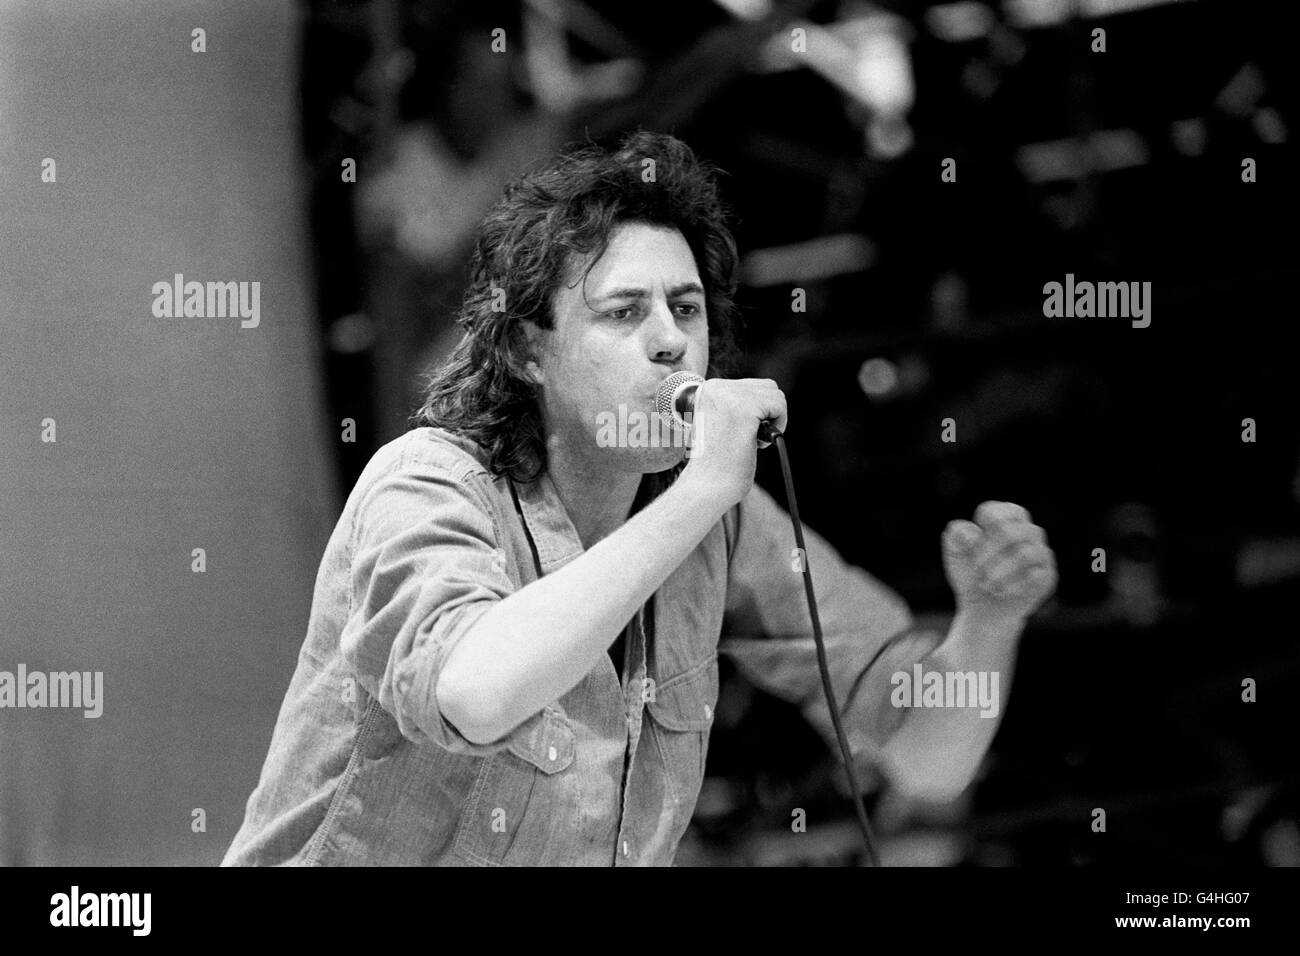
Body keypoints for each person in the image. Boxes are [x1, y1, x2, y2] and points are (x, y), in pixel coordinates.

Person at [222, 130, 1057, 866]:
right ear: (526, 350)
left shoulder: (718, 524)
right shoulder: (429, 483)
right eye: (624, 312)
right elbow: (476, 694)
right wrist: (699, 495)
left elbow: (926, 758)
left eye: (686, 309)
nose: (670, 340)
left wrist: (987, 623)